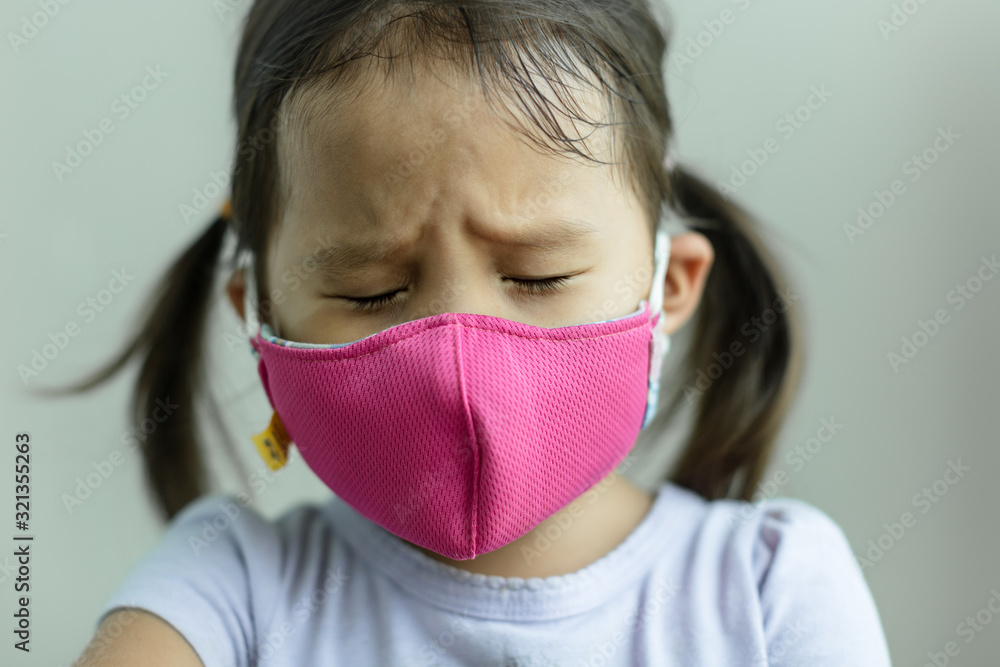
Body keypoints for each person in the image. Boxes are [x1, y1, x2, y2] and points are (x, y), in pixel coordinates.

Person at [64, 1, 892, 664]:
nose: (453, 367)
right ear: (260, 316)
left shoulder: (772, 589)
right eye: (371, 290)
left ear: (667, 284)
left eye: (539, 275)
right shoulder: (224, 586)